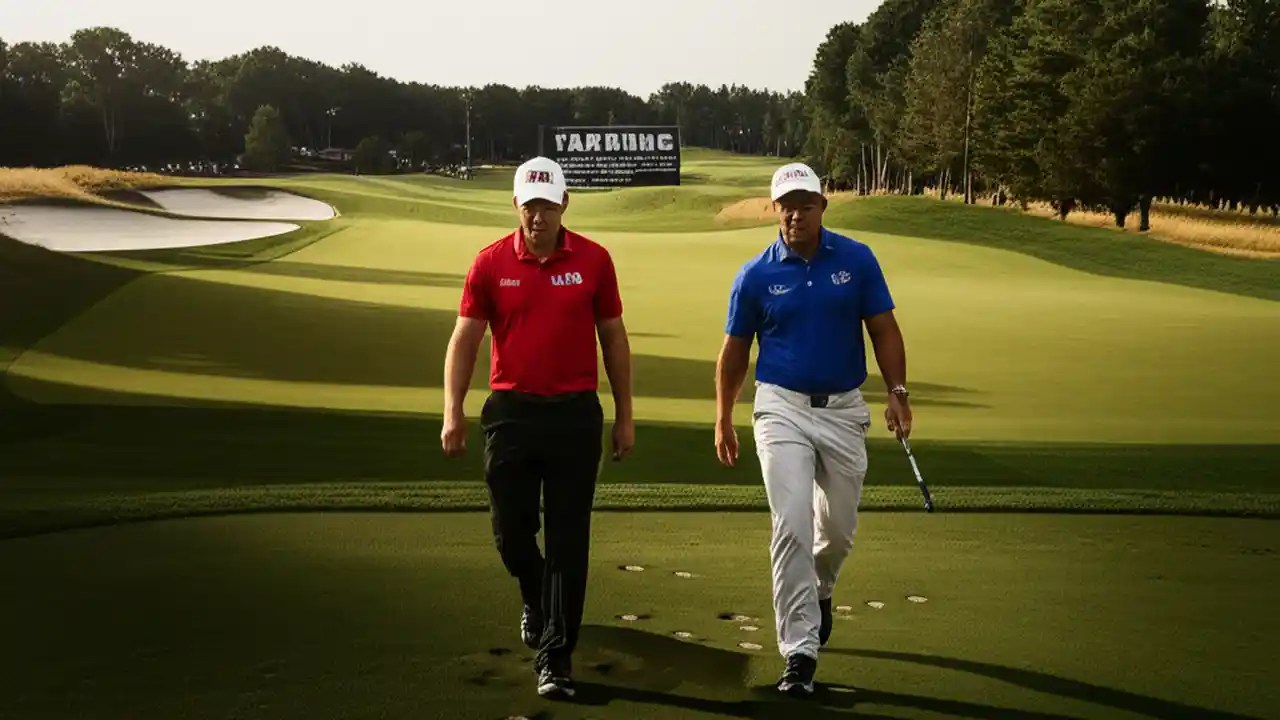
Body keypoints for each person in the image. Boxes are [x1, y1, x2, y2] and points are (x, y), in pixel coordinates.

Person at [713, 162, 912, 698]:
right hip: (780, 408)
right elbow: (734, 354)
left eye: (806, 203)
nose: (796, 213)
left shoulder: (856, 259)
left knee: (838, 531)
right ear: (774, 209)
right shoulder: (755, 275)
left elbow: (884, 330)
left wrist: (897, 392)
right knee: (791, 524)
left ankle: (821, 589)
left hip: (844, 408)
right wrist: (724, 417)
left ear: (823, 206)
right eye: (786, 204)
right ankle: (799, 653)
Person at [441, 156, 635, 699]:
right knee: (512, 533)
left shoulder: (595, 261)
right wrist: (453, 411)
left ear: (564, 204)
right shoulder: (489, 263)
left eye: (547, 205)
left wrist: (625, 414)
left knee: (569, 540)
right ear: (516, 206)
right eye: (529, 205)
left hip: (575, 414)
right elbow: (465, 341)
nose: (538, 215)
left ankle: (556, 657)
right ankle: (535, 592)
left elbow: (614, 340)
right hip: (511, 413)